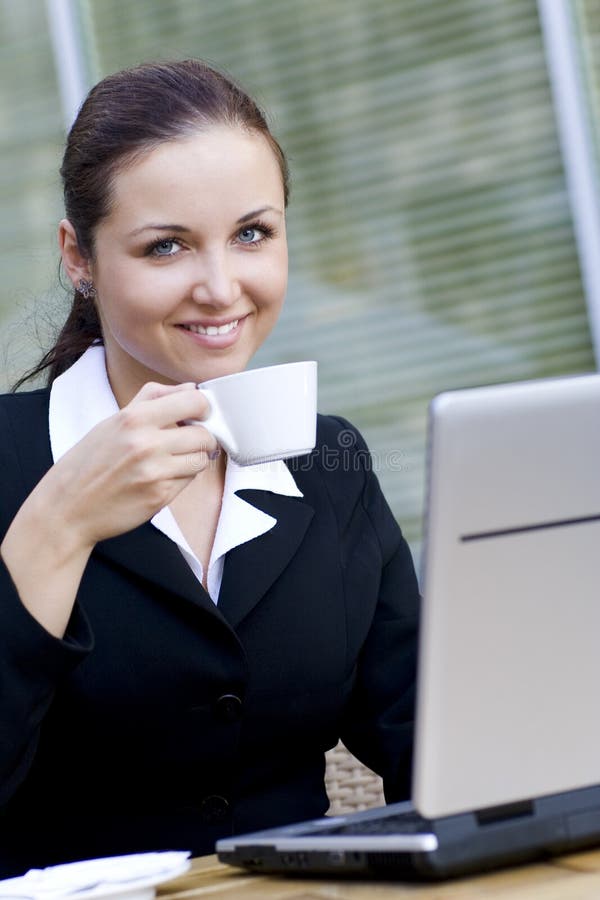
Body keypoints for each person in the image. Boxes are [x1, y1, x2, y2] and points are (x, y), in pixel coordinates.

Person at [0, 59, 420, 877]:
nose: (222, 288)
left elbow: (431, 746)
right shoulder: (11, 461)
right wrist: (60, 524)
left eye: (252, 233)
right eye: (167, 247)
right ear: (79, 258)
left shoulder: (328, 465)